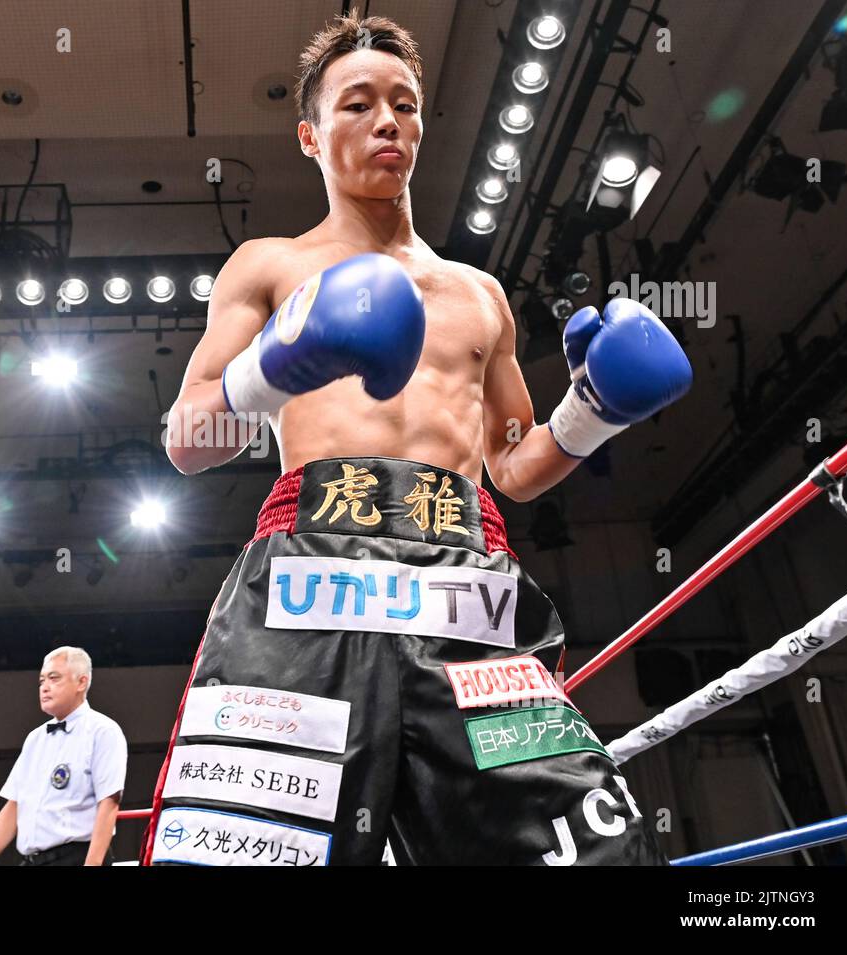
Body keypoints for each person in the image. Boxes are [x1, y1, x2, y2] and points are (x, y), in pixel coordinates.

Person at [143, 12, 690, 866]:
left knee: (583, 851)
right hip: (309, 575)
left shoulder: (480, 294)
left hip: (464, 583)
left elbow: (512, 464)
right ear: (309, 135)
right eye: (356, 104)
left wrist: (596, 408)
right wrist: (277, 361)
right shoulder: (271, 265)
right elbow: (189, 436)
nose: (386, 120)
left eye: (404, 103)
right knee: (248, 852)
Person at [0, 647, 126, 866]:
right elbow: (15, 802)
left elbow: (109, 802)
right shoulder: (35, 739)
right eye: (41, 681)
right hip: (32, 860)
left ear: (81, 683)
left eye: (54, 678)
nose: (44, 687)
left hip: (75, 857)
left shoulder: (102, 731)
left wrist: (92, 864)